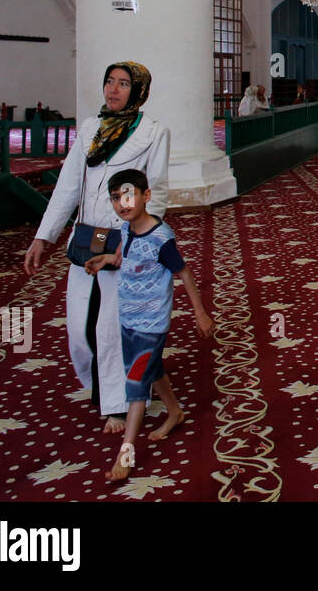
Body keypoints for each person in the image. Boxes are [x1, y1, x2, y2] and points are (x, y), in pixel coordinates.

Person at [23, 62, 170, 433]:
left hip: (122, 241)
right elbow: (69, 186)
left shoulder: (153, 133)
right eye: (109, 81)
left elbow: (158, 193)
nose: (113, 89)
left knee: (111, 327)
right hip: (85, 240)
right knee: (79, 329)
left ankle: (119, 403)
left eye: (123, 84)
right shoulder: (90, 128)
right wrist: (44, 236)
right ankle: (101, 388)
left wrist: (136, 241)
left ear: (138, 91)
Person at [84, 168, 212, 481]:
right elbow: (122, 258)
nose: (122, 204)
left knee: (136, 382)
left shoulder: (161, 239)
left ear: (146, 196)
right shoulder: (126, 229)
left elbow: (184, 274)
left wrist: (200, 313)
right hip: (127, 316)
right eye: (116, 198)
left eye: (129, 196)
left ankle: (126, 452)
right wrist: (102, 261)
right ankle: (175, 412)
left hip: (151, 323)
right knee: (151, 371)